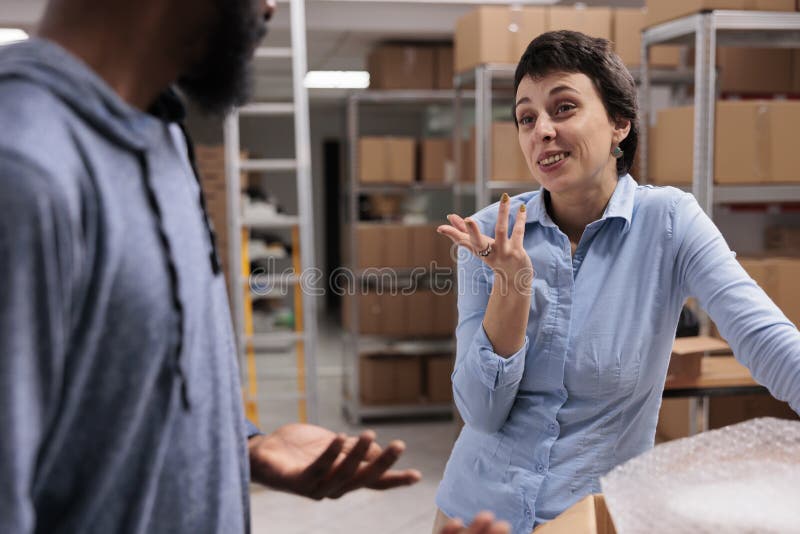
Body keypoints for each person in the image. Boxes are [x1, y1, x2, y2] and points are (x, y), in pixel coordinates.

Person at [0, 0, 510, 532]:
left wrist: (240, 443)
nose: (270, 6)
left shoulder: (165, 134)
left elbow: (128, 388)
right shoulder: (23, 167)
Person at [435, 30, 800, 534]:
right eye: (526, 117)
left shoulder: (670, 223)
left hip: (589, 518)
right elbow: (480, 411)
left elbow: (766, 340)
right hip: (474, 513)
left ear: (619, 124)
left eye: (563, 108)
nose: (541, 129)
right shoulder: (489, 235)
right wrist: (512, 288)